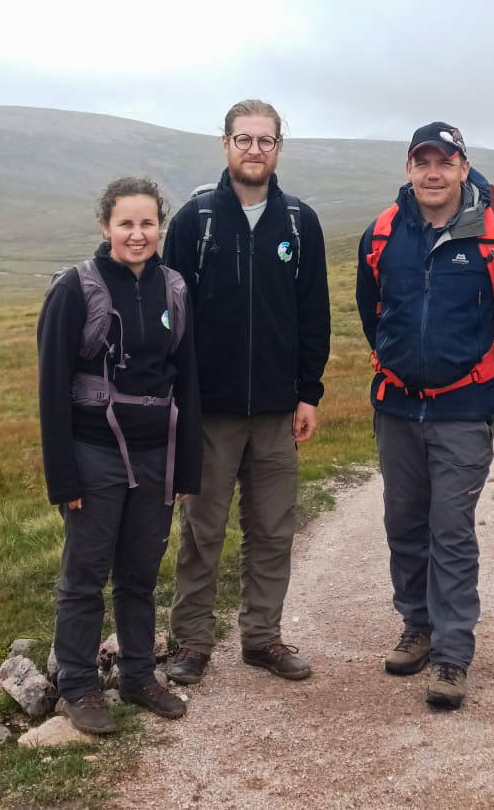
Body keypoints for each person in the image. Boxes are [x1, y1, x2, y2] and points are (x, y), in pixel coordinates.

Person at [355, 121, 494, 709]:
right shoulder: (382, 235)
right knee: (404, 523)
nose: (433, 173)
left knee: (451, 530)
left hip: (463, 410)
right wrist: (398, 363)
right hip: (398, 407)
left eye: (445, 161)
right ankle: (417, 626)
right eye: (422, 161)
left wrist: (480, 378)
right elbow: (372, 309)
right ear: (409, 169)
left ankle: (453, 654)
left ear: (464, 168)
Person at [163, 99, 332, 685]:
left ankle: (262, 638)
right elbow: (171, 318)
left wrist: (308, 393)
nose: (254, 149)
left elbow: (314, 314)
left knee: (273, 530)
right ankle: (191, 642)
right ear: (225, 145)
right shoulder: (195, 221)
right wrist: (177, 398)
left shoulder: (299, 223)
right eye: (244, 139)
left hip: (278, 412)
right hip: (209, 410)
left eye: (265, 140)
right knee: (202, 530)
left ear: (279, 147)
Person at [37, 176, 202, 735]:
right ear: (105, 226)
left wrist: (188, 467)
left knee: (138, 574)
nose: (138, 234)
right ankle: (79, 687)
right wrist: (63, 476)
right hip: (92, 454)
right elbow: (52, 387)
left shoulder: (174, 288)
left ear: (161, 226)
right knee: (84, 575)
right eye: (126, 223)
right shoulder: (75, 289)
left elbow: (188, 379)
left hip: (158, 454)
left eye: (148, 223)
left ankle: (137, 676)